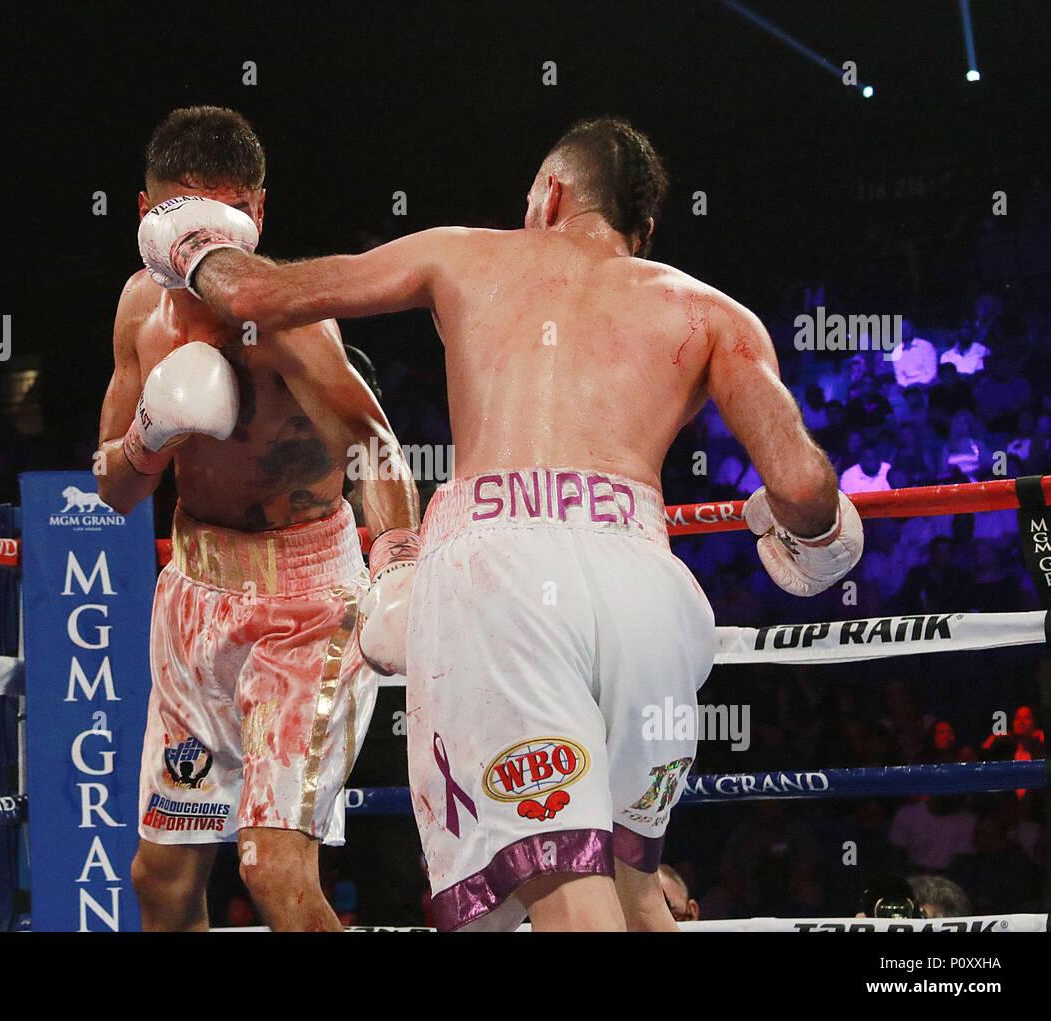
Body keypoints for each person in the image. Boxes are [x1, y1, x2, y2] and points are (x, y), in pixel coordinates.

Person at [152, 116, 862, 931]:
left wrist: (188, 236)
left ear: (551, 194)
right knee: (637, 894)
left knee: (569, 905)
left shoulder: (464, 253)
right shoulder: (714, 313)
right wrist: (807, 541)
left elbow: (254, 295)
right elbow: (804, 487)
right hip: (648, 588)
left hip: (503, 575)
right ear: (642, 229)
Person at [96, 106, 420, 932]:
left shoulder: (289, 320)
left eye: (228, 218)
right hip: (195, 597)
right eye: (186, 219)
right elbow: (114, 489)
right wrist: (147, 436)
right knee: (160, 881)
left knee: (272, 870)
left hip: (306, 607)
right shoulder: (137, 309)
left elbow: (374, 445)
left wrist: (399, 562)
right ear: (146, 215)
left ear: (259, 213)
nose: (205, 247)